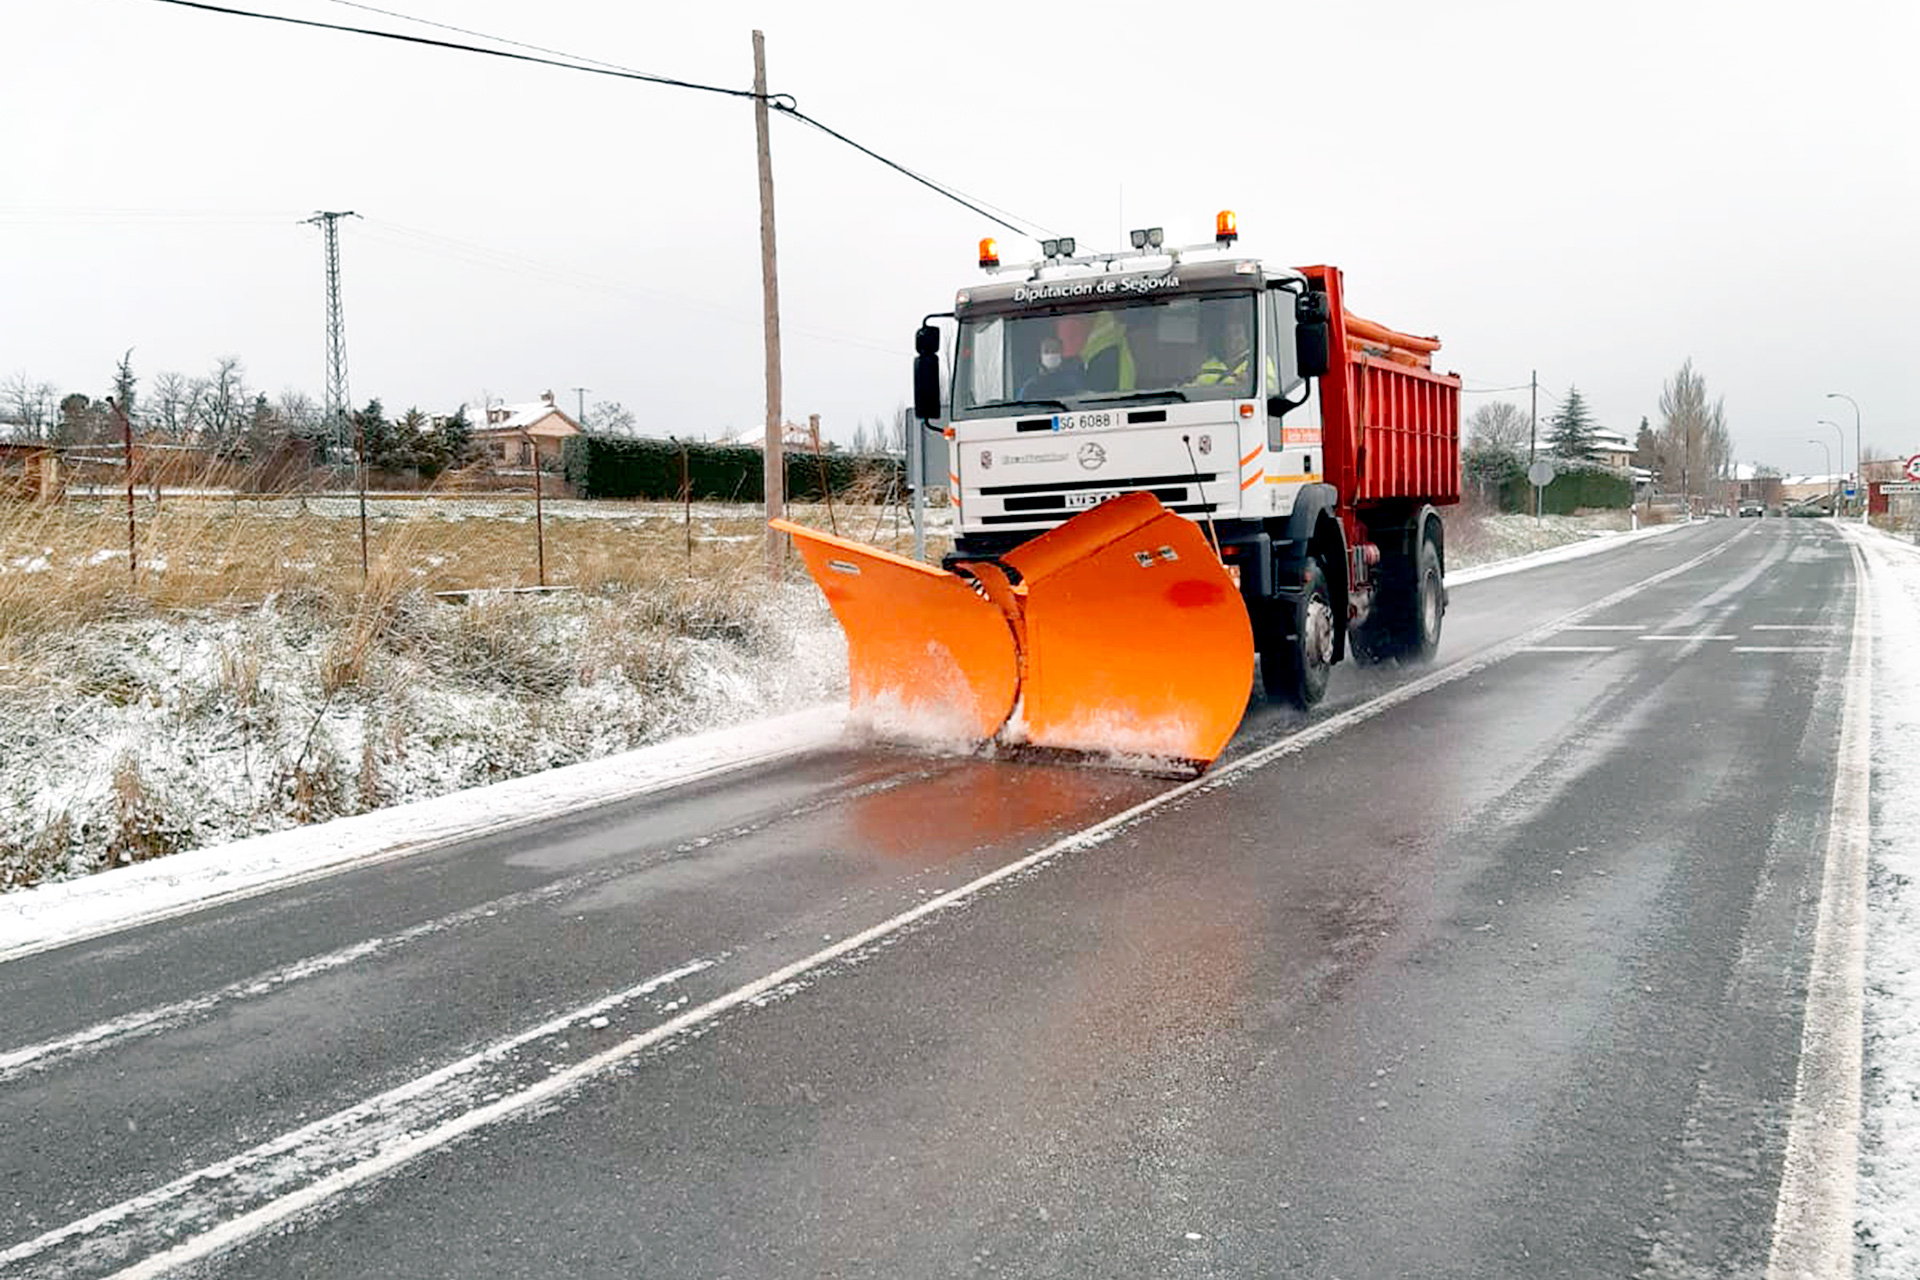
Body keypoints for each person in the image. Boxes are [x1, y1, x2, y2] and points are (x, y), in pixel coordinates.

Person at [1020, 334, 1085, 398]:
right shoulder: (1031, 386)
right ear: (1040, 354)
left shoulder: (1072, 381)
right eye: (1046, 351)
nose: (1051, 354)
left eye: (1055, 351)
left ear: (1062, 353)